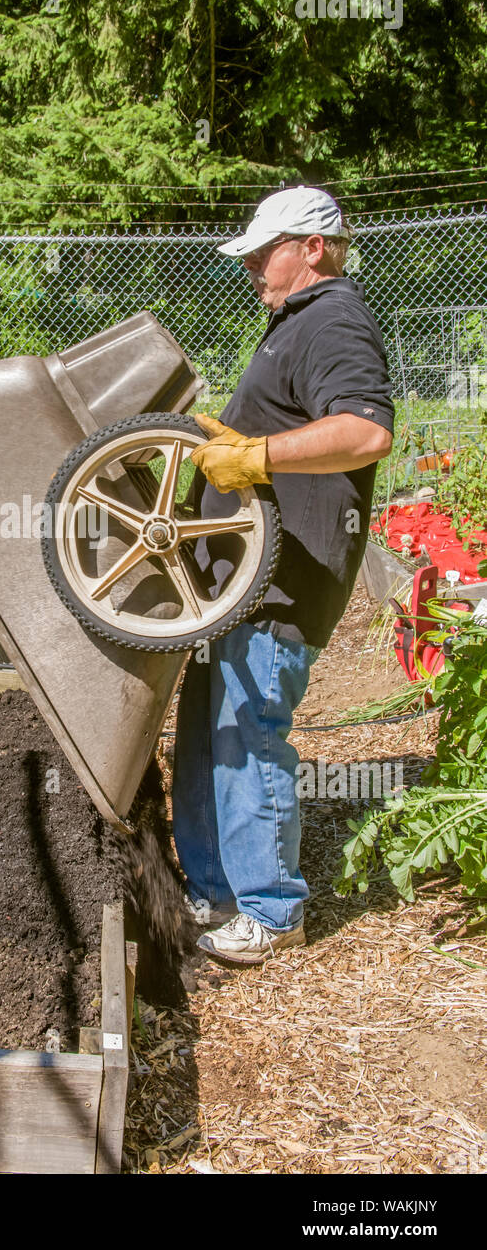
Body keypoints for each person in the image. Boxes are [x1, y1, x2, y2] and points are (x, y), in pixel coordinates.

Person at [173, 185, 394, 965]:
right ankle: (213, 888)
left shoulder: (333, 319)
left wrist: (258, 455)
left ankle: (270, 910)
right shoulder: (292, 324)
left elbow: (365, 431)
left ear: (314, 247)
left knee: (249, 730)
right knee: (210, 727)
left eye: (265, 253)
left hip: (286, 576)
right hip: (245, 580)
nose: (253, 268)